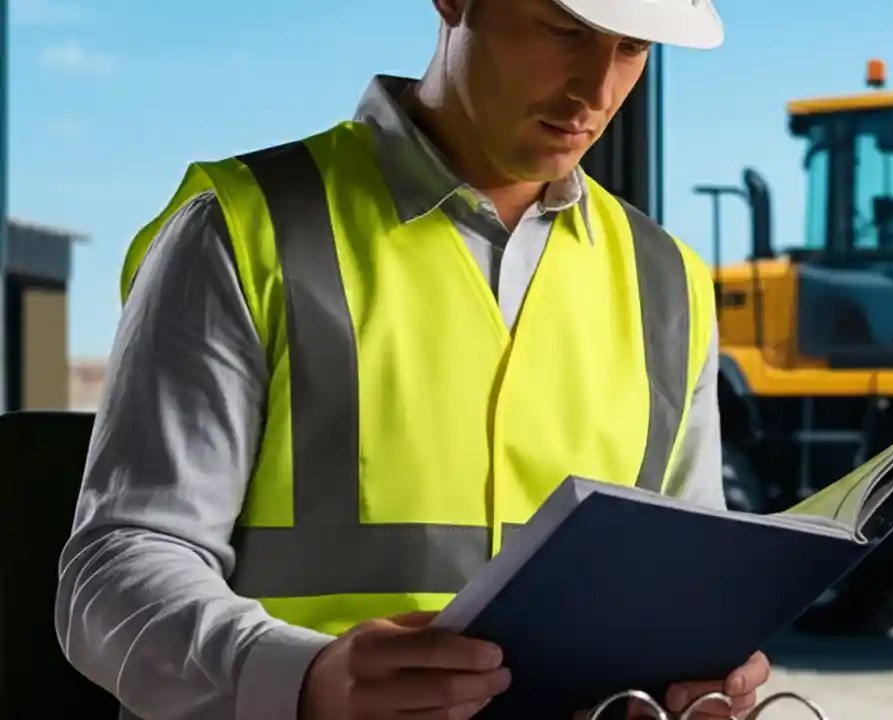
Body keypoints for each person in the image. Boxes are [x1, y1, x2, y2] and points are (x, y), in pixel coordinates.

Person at [54, 0, 772, 717]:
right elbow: (114, 574)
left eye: (632, 49)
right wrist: (302, 680)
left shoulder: (667, 281)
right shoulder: (244, 232)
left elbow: (681, 577)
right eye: (565, 32)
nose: (597, 90)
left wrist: (701, 674)